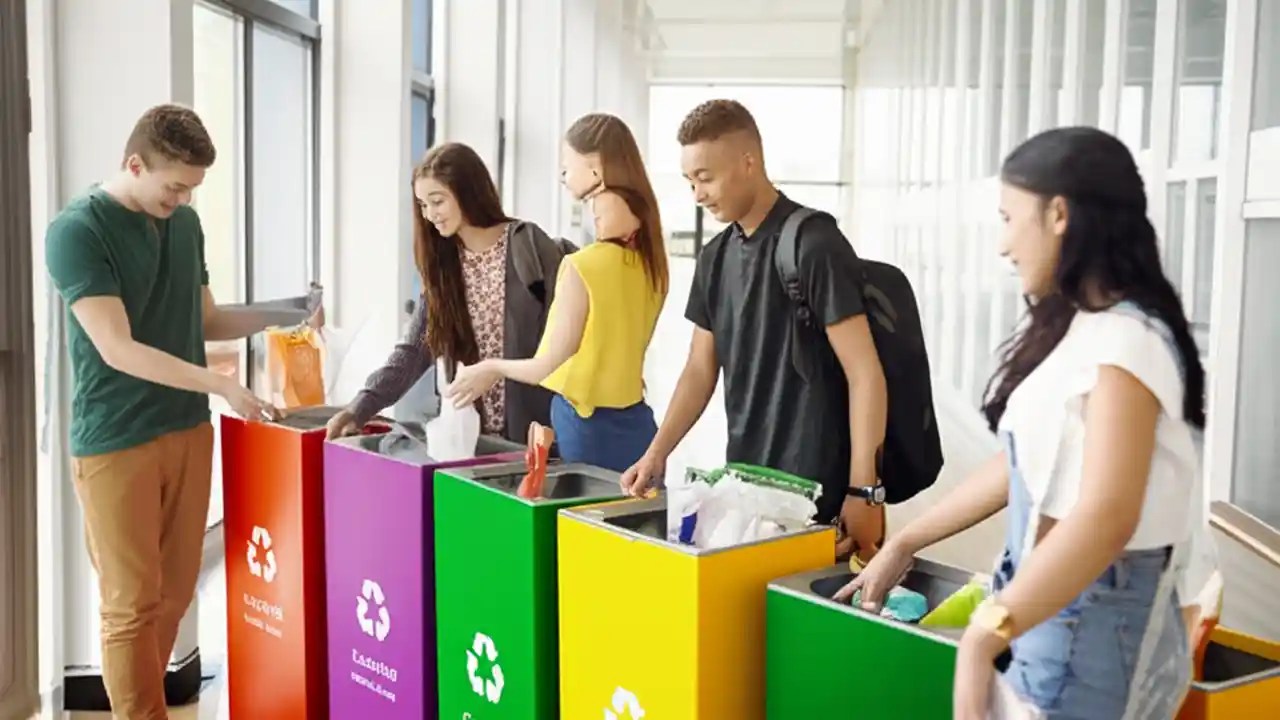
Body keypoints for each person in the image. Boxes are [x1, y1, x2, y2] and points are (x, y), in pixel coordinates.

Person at [835, 127, 1212, 719]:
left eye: (1009, 218)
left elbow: (1106, 517)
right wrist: (907, 540)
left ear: (1059, 214)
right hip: (1045, 624)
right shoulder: (1084, 328)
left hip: (1084, 641)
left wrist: (987, 633)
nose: (1003, 244)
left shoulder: (1127, 342)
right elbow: (1020, 466)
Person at [44, 104, 317, 719]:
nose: (183, 199)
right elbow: (116, 348)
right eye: (174, 186)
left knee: (172, 597)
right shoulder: (76, 232)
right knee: (131, 602)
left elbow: (206, 319)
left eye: (193, 188)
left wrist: (291, 310)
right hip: (116, 440)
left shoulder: (183, 223)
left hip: (187, 430)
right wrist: (221, 386)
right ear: (133, 163)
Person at [620, 99, 888, 559]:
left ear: (749, 163)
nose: (697, 194)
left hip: (819, 490)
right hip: (748, 487)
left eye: (705, 177)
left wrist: (865, 492)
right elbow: (699, 370)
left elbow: (866, 373)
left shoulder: (815, 243)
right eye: (689, 181)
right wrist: (657, 452)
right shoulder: (715, 258)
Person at [445, 113, 667, 472]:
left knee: (577, 528)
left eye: (568, 166)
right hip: (639, 428)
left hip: (587, 428)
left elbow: (543, 366)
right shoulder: (653, 263)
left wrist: (489, 367)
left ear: (595, 169)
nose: (563, 177)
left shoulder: (582, 266)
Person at [326, 142, 574, 444]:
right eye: (422, 204)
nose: (430, 214)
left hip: (540, 439)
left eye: (437, 201)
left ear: (466, 191)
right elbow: (413, 353)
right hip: (472, 443)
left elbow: (572, 331)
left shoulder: (528, 246)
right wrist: (358, 408)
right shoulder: (444, 268)